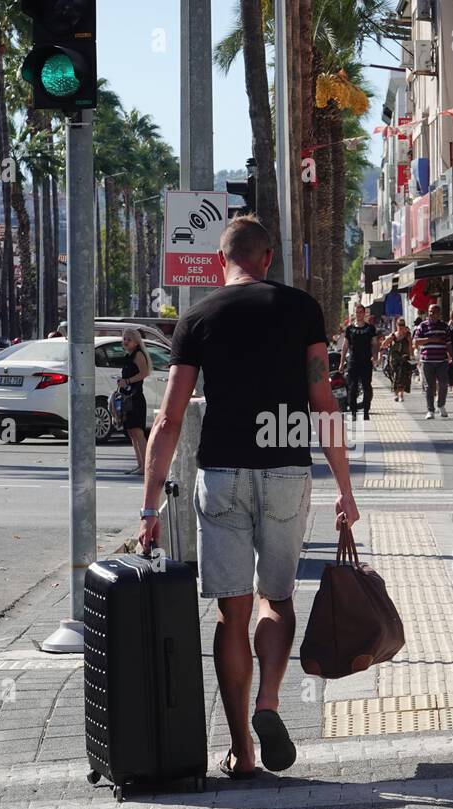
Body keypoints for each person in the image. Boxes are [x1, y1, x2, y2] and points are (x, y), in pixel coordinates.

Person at [138, 215, 359, 779]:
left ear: (221, 261)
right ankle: (269, 702)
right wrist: (345, 489)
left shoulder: (197, 318)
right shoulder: (301, 309)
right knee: (276, 600)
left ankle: (241, 750)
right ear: (267, 259)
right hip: (286, 468)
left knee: (230, 611)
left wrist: (149, 508)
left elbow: (168, 418)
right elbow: (322, 401)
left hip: (221, 474)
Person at [117, 328, 151, 475]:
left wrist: (128, 381)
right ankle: (140, 465)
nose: (125, 341)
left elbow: (144, 373)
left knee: (138, 432)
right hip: (127, 398)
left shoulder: (138, 354)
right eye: (124, 339)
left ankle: (145, 466)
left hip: (136, 398)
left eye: (128, 339)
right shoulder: (129, 355)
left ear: (136, 341)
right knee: (131, 432)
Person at [339, 305, 379, 421]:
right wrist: (341, 363)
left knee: (367, 387)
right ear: (355, 313)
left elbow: (375, 343)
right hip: (353, 362)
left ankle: (366, 411)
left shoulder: (370, 328)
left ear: (364, 313)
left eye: (361, 312)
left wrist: (375, 357)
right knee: (352, 387)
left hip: (366, 362)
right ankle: (353, 412)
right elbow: (345, 346)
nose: (359, 314)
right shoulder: (349, 329)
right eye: (357, 312)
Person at [414, 303, 452, 419]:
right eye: (430, 311)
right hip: (427, 361)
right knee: (429, 387)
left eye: (434, 312)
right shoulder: (422, 326)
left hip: (442, 360)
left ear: (439, 314)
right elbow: (415, 342)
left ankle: (441, 405)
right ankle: (430, 410)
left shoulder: (444, 327)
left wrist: (452, 357)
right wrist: (430, 339)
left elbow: (449, 343)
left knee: (443, 384)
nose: (431, 314)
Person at [380, 319, 414, 401]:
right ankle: (396, 393)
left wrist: (412, 356)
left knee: (403, 376)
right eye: (399, 325)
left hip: (404, 358)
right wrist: (388, 340)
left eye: (402, 325)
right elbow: (384, 344)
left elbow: (410, 346)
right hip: (394, 359)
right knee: (394, 376)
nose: (401, 327)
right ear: (396, 326)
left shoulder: (407, 335)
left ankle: (401, 394)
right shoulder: (393, 335)